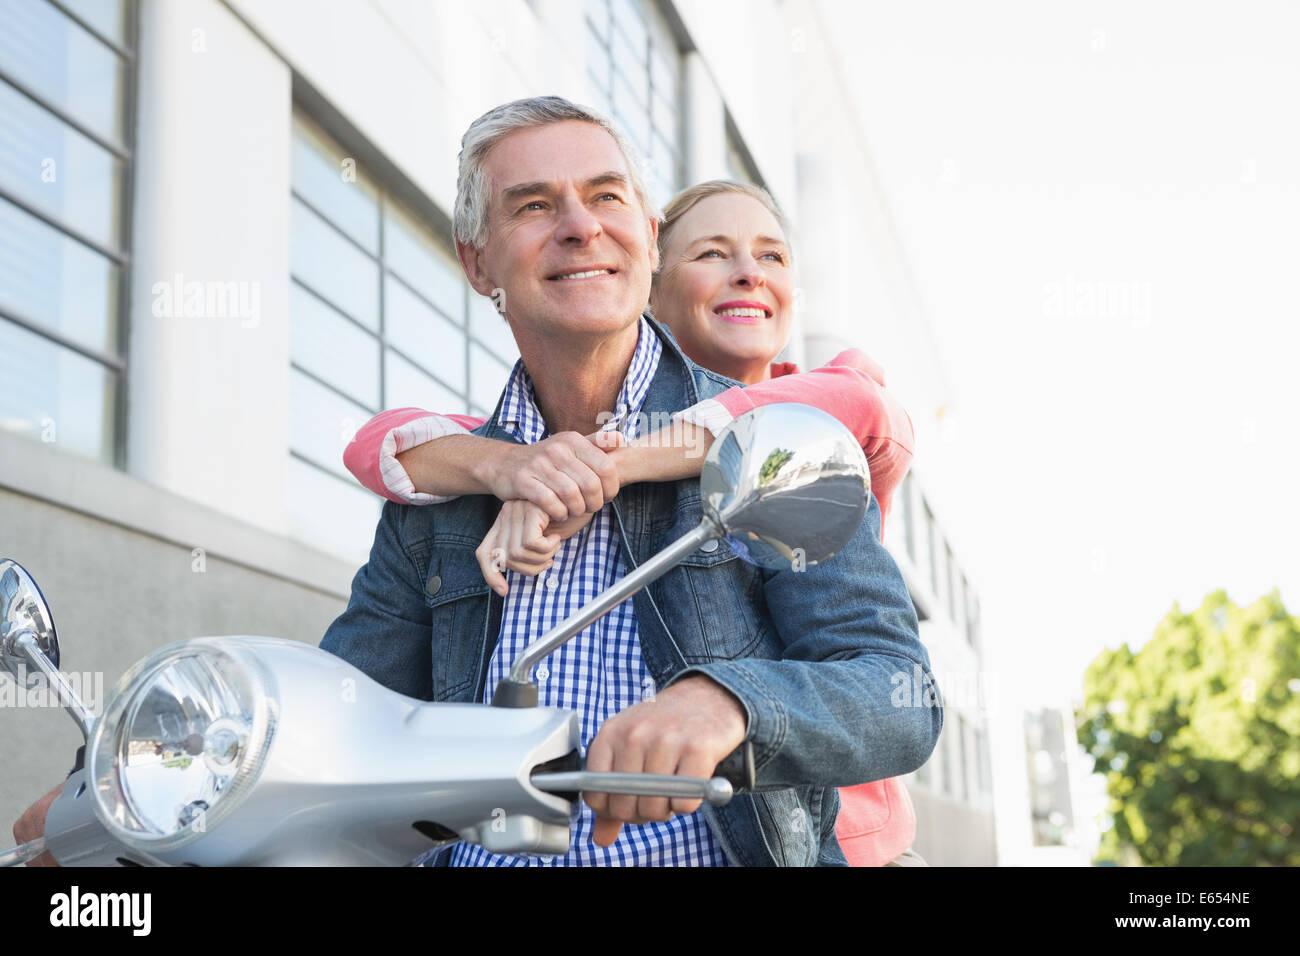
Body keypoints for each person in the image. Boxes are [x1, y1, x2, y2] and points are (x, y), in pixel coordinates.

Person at [14, 96, 940, 867]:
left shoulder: (774, 445)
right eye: (535, 205)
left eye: (606, 196)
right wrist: (130, 776)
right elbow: (333, 705)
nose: (581, 226)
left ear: (647, 240)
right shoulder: (446, 496)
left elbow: (898, 693)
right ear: (478, 262)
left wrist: (731, 701)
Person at [341, 179, 921, 866]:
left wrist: (607, 463)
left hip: (836, 829)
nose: (747, 272)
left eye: (773, 257)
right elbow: (385, 439)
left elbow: (835, 406)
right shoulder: (532, 453)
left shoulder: (813, 428)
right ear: (650, 280)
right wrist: (512, 466)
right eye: (712, 253)